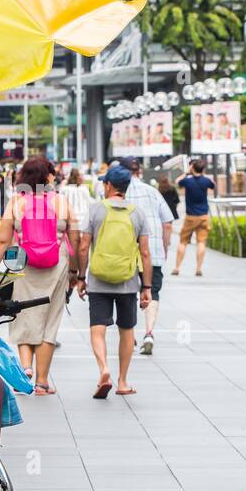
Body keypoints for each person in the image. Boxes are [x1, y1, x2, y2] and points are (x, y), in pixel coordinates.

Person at [0, 156, 76, 395]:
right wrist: (77, 270)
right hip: (56, 264)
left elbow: (3, 239)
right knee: (50, 321)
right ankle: (42, 382)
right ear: (47, 177)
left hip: (23, 263)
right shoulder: (62, 201)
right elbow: (77, 238)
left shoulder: (16, 202)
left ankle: (25, 368)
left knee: (23, 313)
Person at [76, 165, 151, 398]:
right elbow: (146, 253)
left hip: (99, 279)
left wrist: (80, 276)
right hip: (128, 281)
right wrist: (147, 287)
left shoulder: (96, 210)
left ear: (108, 185)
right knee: (126, 329)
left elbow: (83, 246)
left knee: (97, 327)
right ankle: (123, 381)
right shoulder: (137, 213)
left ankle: (104, 368)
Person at [124, 158, 174, 356]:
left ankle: (130, 334)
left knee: (127, 293)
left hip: (125, 254)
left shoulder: (118, 194)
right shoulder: (153, 192)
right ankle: (149, 333)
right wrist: (164, 246)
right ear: (139, 171)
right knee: (152, 292)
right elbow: (168, 222)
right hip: (152, 252)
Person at [173, 158, 216, 277]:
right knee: (201, 242)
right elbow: (213, 184)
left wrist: (187, 172)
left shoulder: (188, 181)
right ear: (203, 169)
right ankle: (198, 268)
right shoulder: (206, 181)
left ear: (192, 168)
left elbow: (177, 181)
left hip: (190, 217)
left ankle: (177, 267)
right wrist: (203, 173)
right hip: (203, 216)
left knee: (183, 242)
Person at [61, 166, 92, 232]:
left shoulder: (65, 189)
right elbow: (89, 202)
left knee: (73, 240)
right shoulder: (84, 188)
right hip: (83, 219)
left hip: (71, 219)